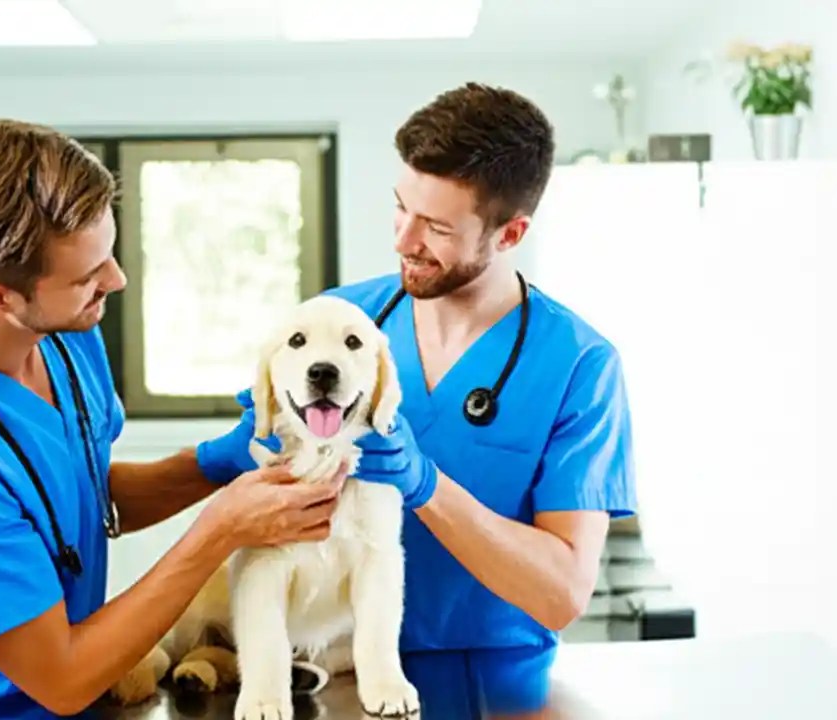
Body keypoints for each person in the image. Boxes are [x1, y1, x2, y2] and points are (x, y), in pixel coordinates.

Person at [0, 119, 349, 719]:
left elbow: (79, 499)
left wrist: (217, 461)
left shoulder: (61, 335)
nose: (117, 280)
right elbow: (62, 678)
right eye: (88, 277)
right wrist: (219, 530)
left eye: (108, 254)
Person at [195, 82, 637, 716]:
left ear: (510, 233)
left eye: (435, 227)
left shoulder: (580, 365)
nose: (404, 240)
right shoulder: (347, 326)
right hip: (333, 671)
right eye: (401, 208)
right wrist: (218, 459)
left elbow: (562, 592)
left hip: (500, 683)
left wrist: (427, 485)